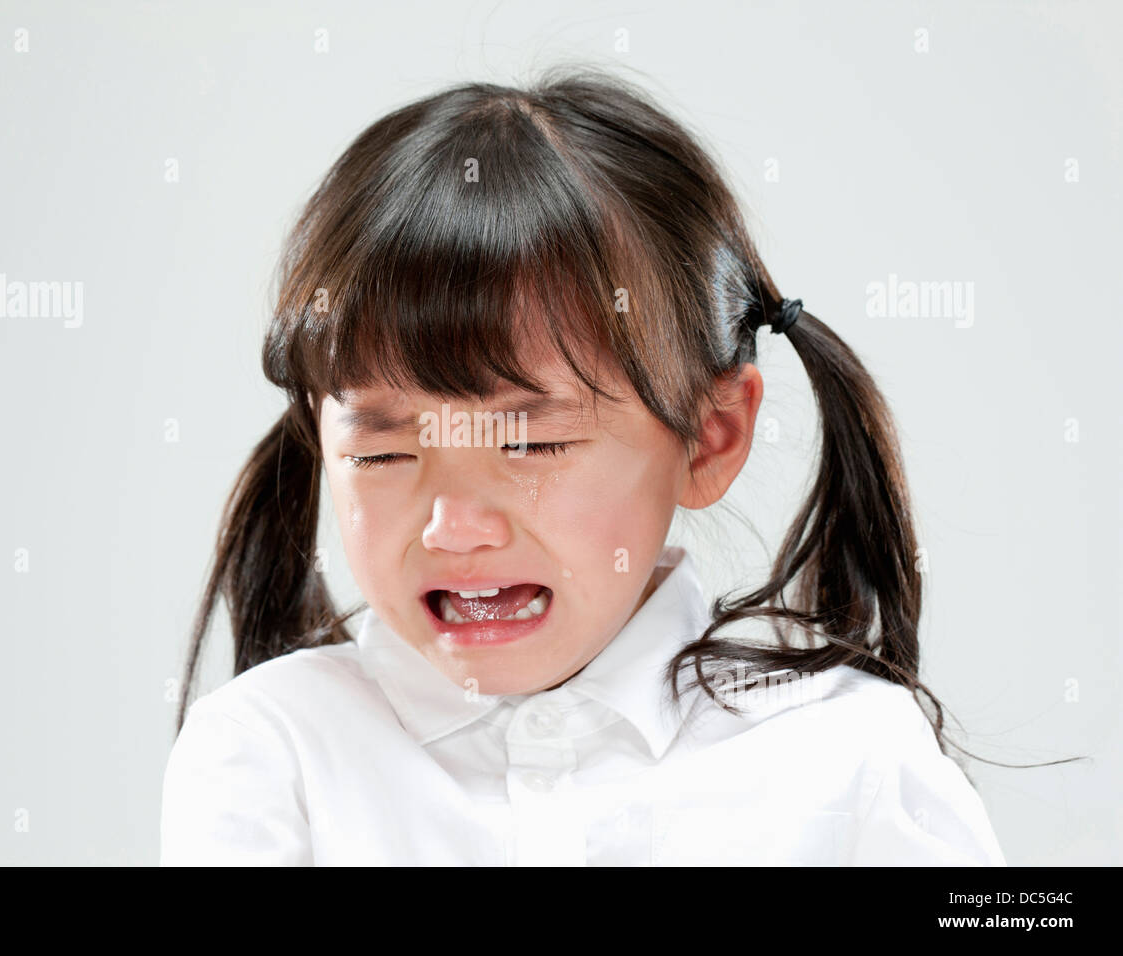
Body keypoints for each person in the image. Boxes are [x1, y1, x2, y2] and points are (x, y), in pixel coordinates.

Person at [159, 67, 1006, 865]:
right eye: (382, 451)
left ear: (707, 439)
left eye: (529, 444)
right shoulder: (272, 754)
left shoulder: (850, 763)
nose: (453, 527)